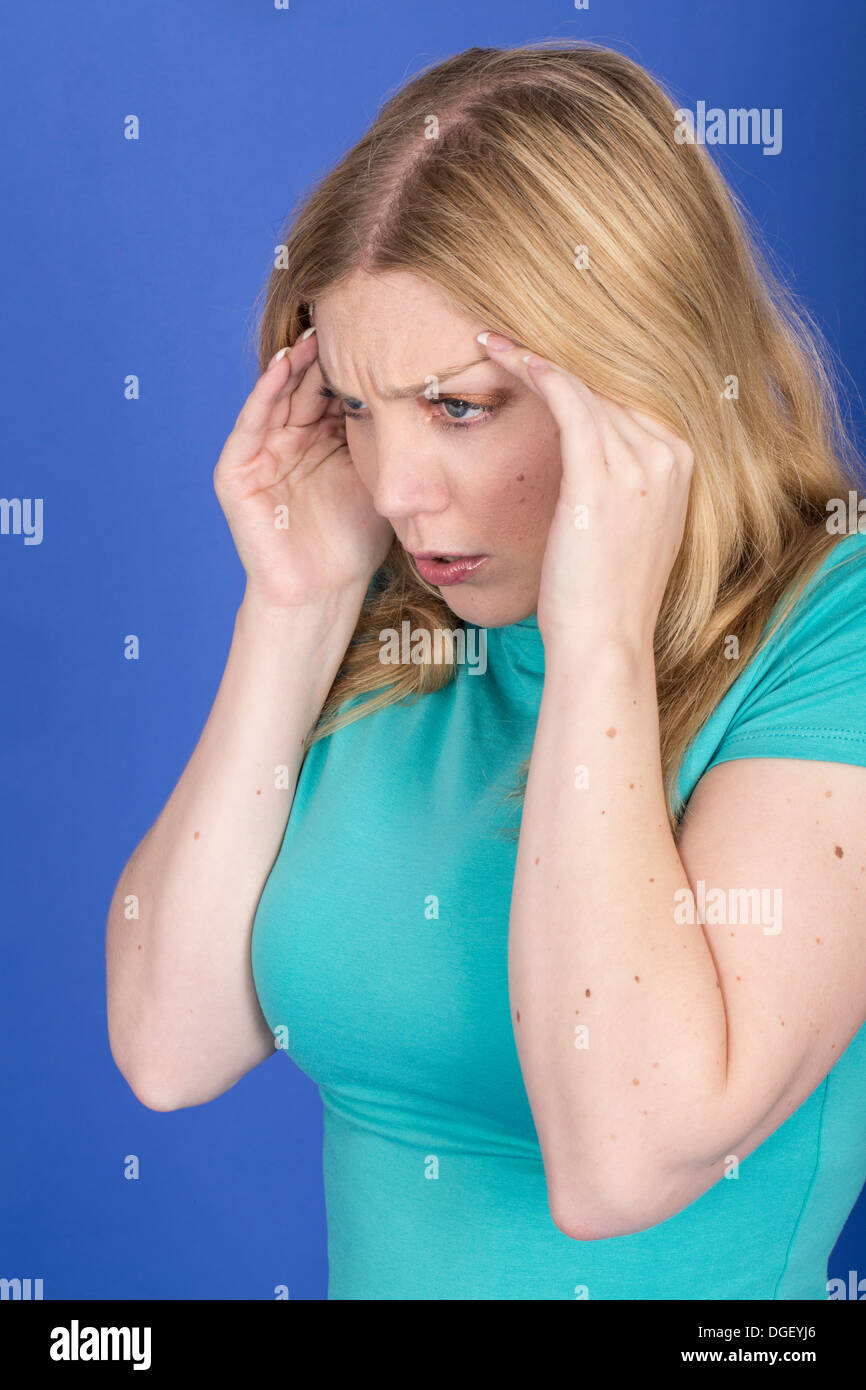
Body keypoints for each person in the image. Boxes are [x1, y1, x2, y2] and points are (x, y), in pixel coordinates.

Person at [106, 39, 866, 1299]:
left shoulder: (831, 629)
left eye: (456, 406)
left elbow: (621, 1164)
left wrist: (601, 642)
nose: (399, 494)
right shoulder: (403, 619)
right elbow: (168, 1048)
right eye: (354, 407)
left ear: (642, 375)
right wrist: (293, 606)